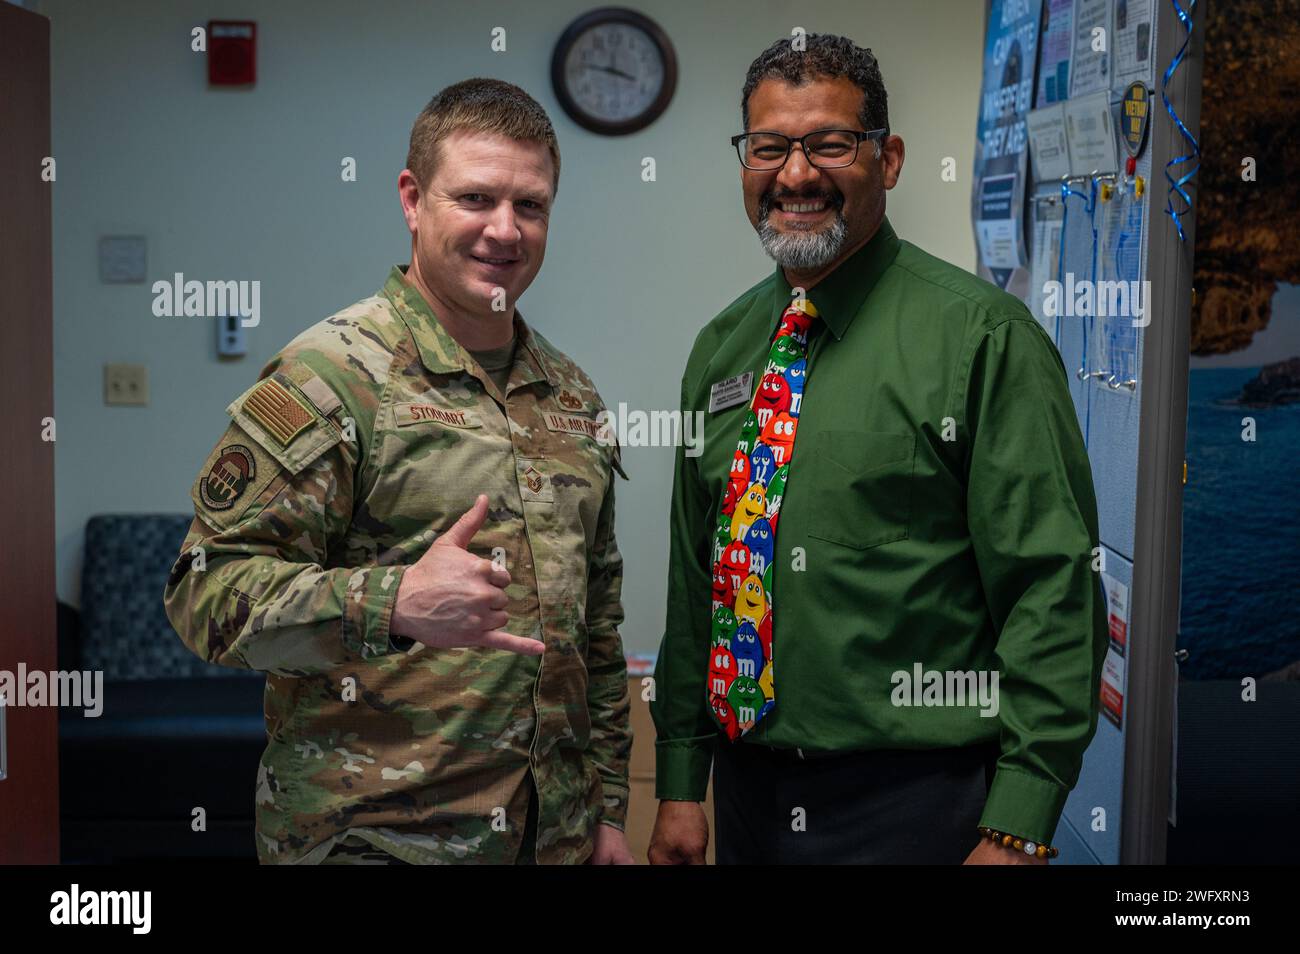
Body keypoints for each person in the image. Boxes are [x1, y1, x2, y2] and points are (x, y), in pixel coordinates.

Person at [648, 34, 1107, 865]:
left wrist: (1019, 822)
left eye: (830, 143)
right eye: (768, 148)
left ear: (887, 159)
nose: (795, 175)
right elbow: (698, 575)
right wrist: (682, 779)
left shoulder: (983, 339)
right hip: (750, 797)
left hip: (923, 804)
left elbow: (1050, 588)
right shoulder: (723, 347)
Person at [164, 78, 633, 865]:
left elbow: (600, 626)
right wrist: (392, 602)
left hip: (553, 840)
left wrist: (609, 810)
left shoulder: (571, 394)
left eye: (532, 205)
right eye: (476, 198)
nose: (505, 230)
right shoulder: (333, 375)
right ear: (413, 200)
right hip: (374, 840)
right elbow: (203, 592)